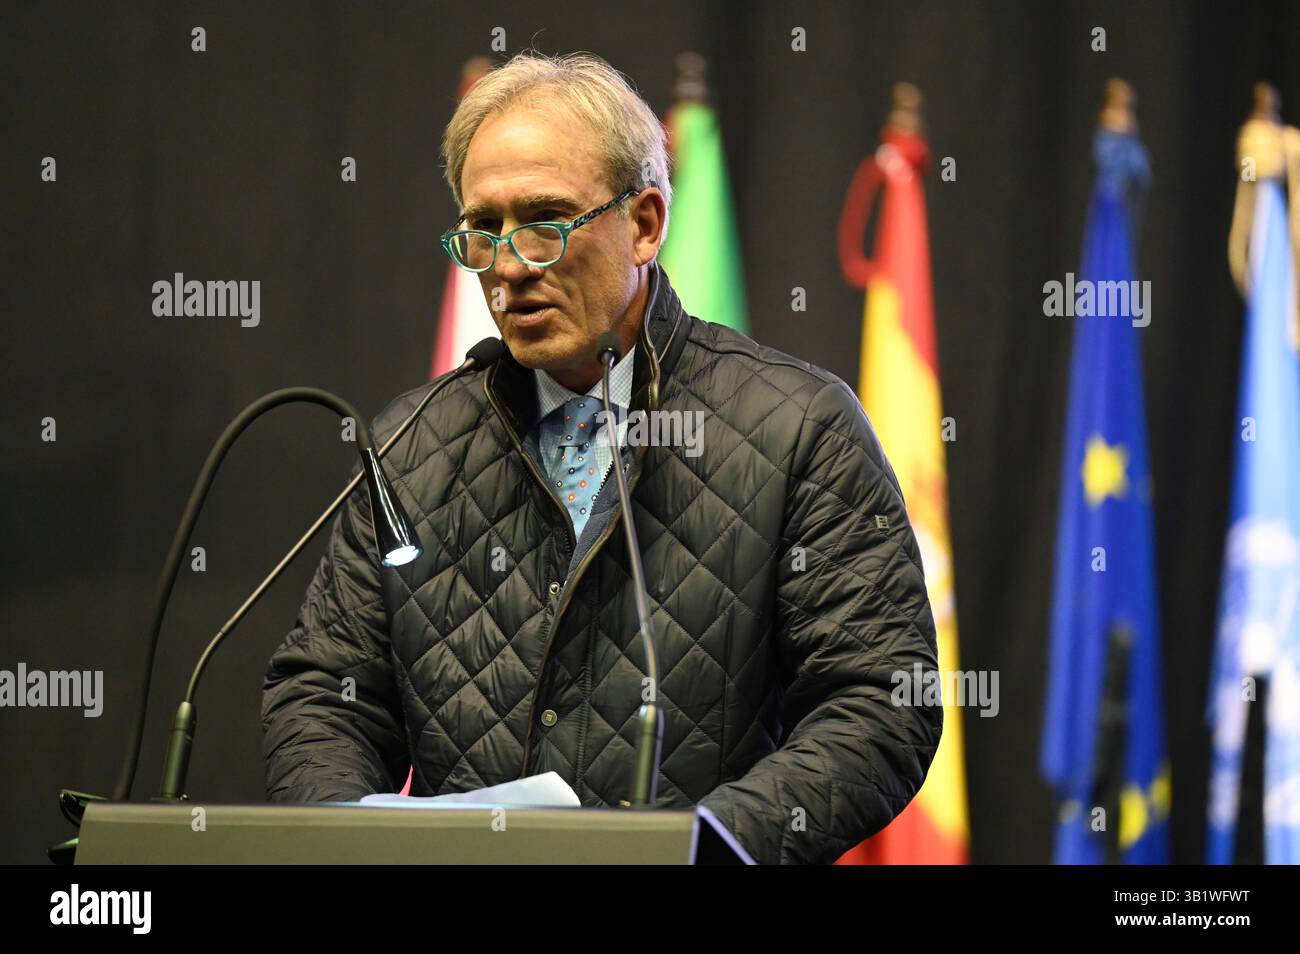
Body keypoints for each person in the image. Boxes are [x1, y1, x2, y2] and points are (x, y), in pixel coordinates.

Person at [261, 50, 942, 865]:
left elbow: (879, 703)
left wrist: (708, 848)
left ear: (646, 223)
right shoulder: (412, 445)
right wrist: (347, 837)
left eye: (546, 222)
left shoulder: (799, 428)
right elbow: (323, 696)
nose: (509, 268)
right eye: (483, 232)